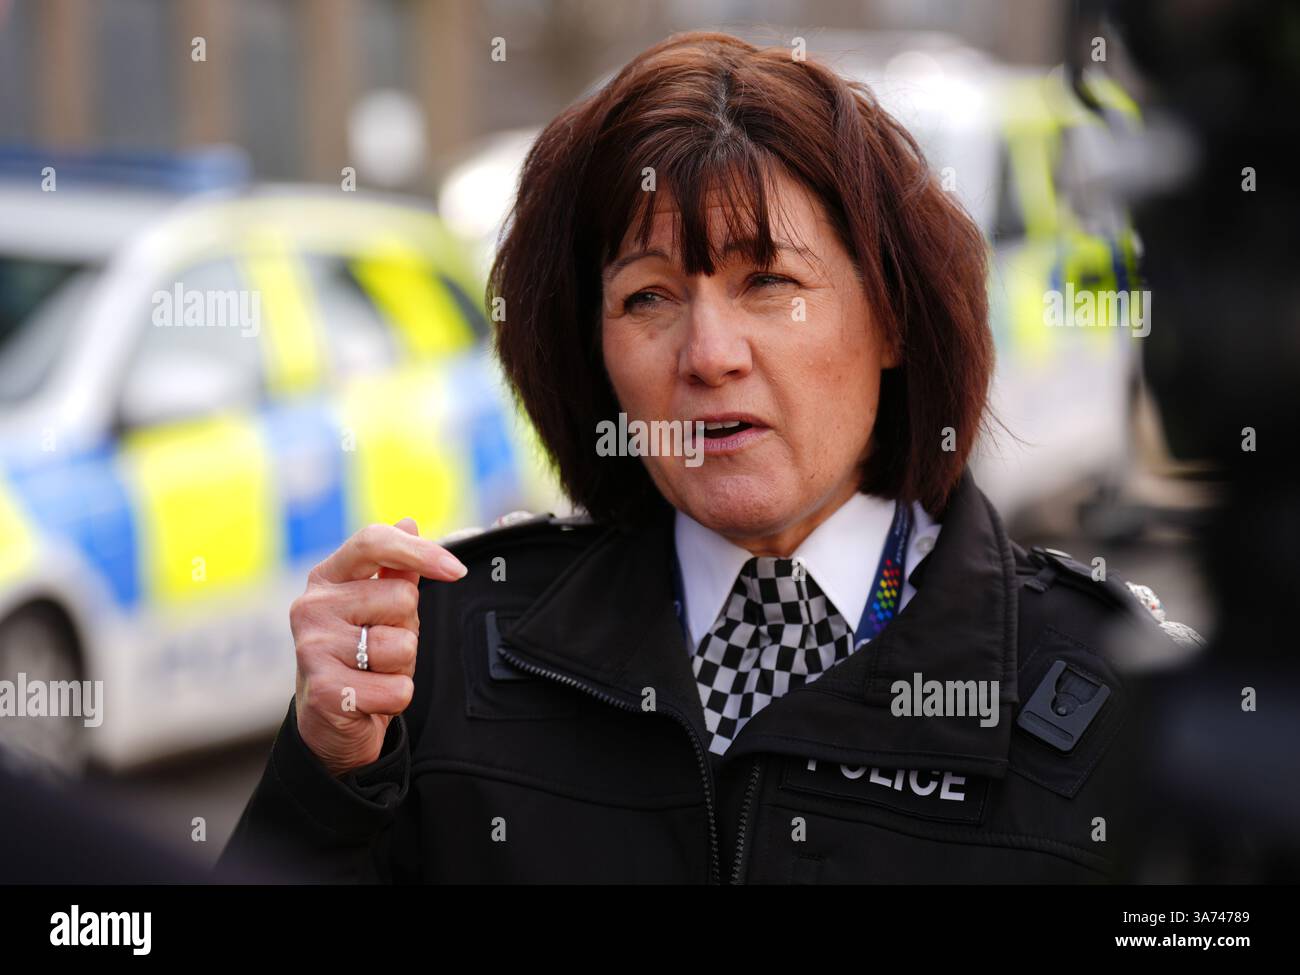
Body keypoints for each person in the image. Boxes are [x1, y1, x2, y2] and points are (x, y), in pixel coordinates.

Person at [219, 31, 1196, 884]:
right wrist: (329, 778)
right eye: (647, 296)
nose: (708, 353)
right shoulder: (444, 661)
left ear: (892, 317)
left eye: (768, 282)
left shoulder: (1101, 696)